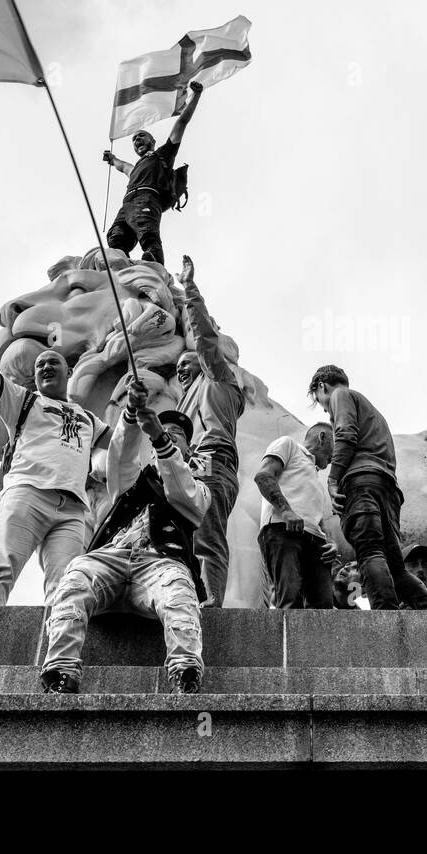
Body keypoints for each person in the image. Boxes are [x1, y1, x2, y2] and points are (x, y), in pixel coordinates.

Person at [40, 380, 209, 695]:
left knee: (178, 593)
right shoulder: (134, 480)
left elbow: (181, 491)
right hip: (110, 559)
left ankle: (185, 673)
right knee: (76, 577)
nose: (170, 434)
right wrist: (131, 413)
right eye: (165, 430)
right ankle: (60, 671)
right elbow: (121, 457)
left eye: (178, 435)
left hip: (159, 565)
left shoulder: (199, 489)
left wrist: (160, 437)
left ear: (189, 449)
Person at [0, 281, 109, 606]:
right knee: (1, 570)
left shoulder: (87, 418)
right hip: (27, 493)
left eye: (52, 362)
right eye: (39, 364)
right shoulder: (22, 400)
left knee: (65, 589)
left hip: (72, 510)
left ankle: (56, 656)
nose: (44, 366)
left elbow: (121, 442)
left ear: (68, 374)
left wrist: (140, 413)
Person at [308, 365, 427, 610]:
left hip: (361, 484)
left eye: (321, 403)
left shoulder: (340, 396)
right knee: (395, 567)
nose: (327, 411)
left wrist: (333, 479)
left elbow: (346, 434)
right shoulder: (373, 413)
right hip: (387, 488)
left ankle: (385, 619)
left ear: (321, 386)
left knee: (369, 551)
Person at [175, 255, 245, 606]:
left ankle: (212, 606)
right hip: (188, 468)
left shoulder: (219, 380)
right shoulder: (186, 401)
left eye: (187, 364)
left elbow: (204, 339)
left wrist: (189, 288)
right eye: (177, 369)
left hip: (213, 463)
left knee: (206, 536)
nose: (181, 370)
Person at [102, 80, 203, 264]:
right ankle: (116, 272)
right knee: (116, 240)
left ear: (152, 140)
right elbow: (123, 166)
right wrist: (112, 159)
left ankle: (154, 267)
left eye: (141, 135)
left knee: (148, 234)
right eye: (134, 139)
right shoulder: (135, 170)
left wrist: (195, 96)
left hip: (148, 198)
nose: (136, 139)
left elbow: (181, 123)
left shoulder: (162, 156)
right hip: (127, 204)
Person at [254, 422, 339, 608]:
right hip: (282, 530)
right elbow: (263, 476)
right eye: (336, 443)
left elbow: (318, 517)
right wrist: (286, 511)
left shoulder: (315, 477)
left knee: (323, 606)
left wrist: (331, 541)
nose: (336, 455)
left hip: (316, 540)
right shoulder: (289, 445)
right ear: (322, 437)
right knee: (290, 600)